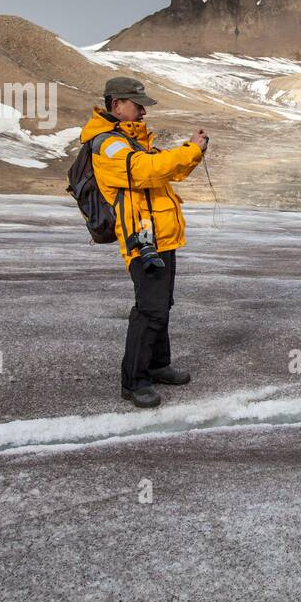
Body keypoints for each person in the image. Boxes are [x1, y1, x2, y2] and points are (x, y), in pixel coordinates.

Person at [80, 77, 209, 408]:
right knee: (149, 308)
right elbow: (145, 171)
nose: (142, 113)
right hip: (141, 239)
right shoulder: (109, 145)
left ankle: (157, 364)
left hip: (162, 234)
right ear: (116, 105)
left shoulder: (133, 140)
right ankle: (134, 380)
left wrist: (190, 151)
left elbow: (166, 172)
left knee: (162, 303)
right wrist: (190, 150)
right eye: (137, 106)